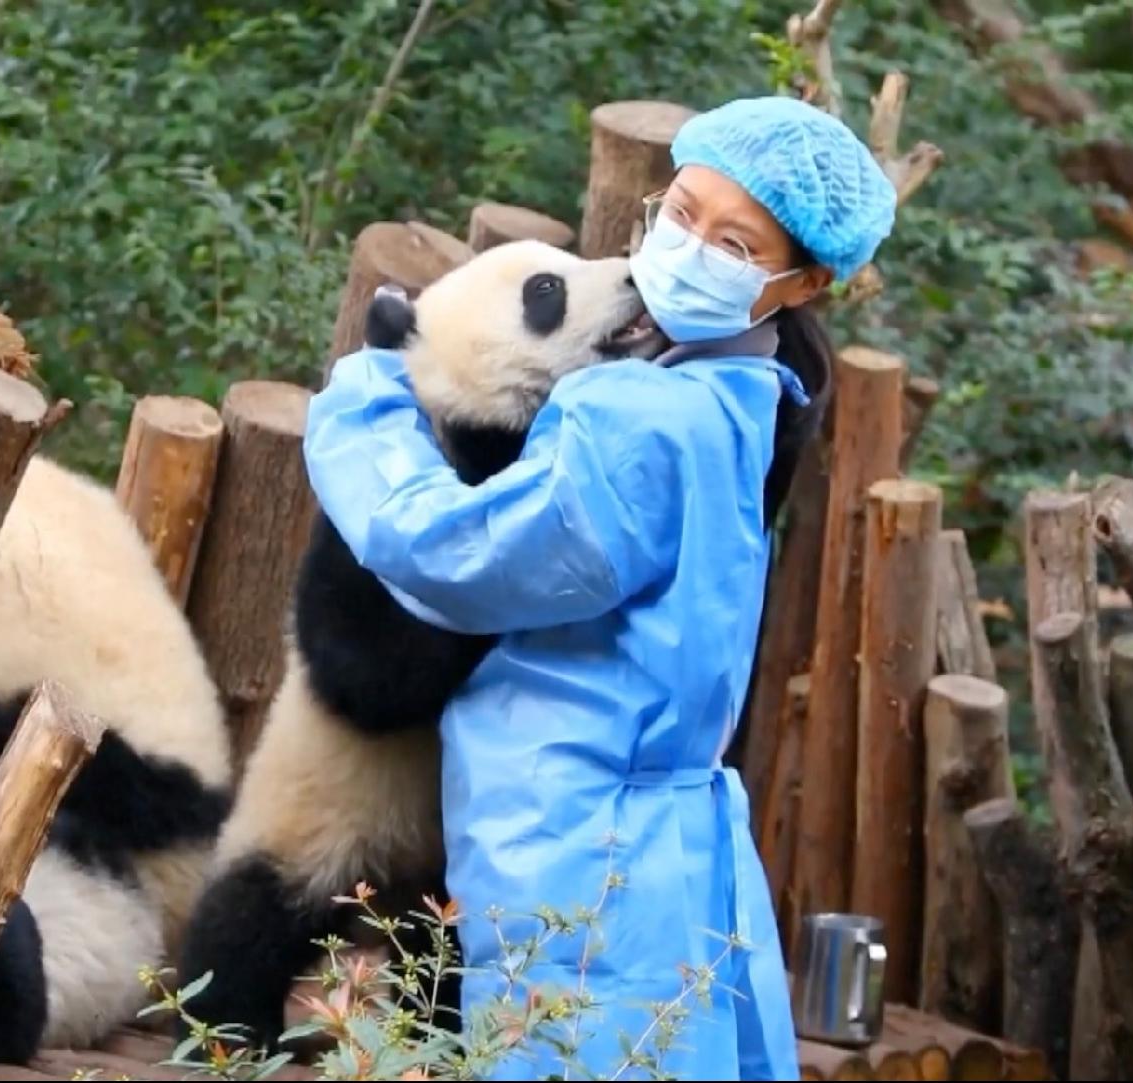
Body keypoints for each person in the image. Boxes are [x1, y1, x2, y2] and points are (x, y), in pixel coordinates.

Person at [301, 95, 896, 1080]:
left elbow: (451, 554)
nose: (689, 246)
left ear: (806, 280)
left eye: (734, 243)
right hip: (661, 836)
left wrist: (370, 400)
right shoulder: (744, 394)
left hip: (575, 846)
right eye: (683, 211)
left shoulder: (638, 426)